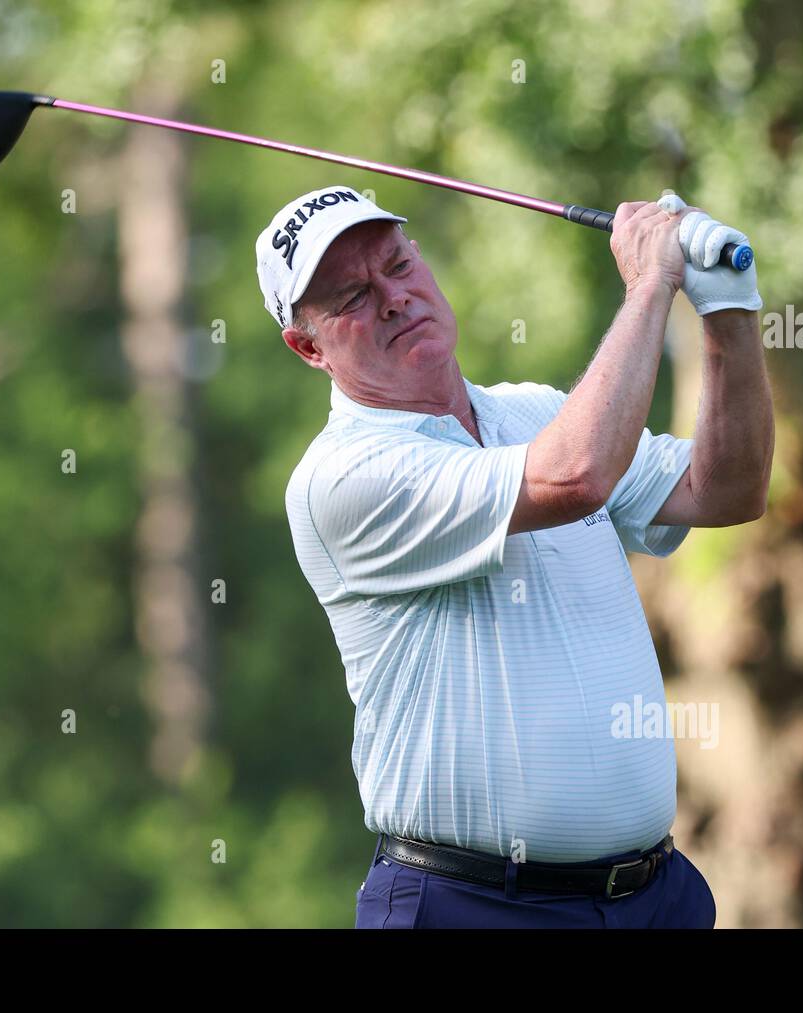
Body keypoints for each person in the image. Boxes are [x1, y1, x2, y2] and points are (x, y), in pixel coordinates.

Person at [255, 184, 773, 928]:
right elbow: (575, 476)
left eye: (398, 265)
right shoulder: (341, 479)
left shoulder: (532, 412)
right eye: (351, 298)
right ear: (309, 346)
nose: (394, 298)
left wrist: (726, 308)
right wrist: (652, 283)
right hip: (473, 908)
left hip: (656, 901)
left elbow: (726, 489)